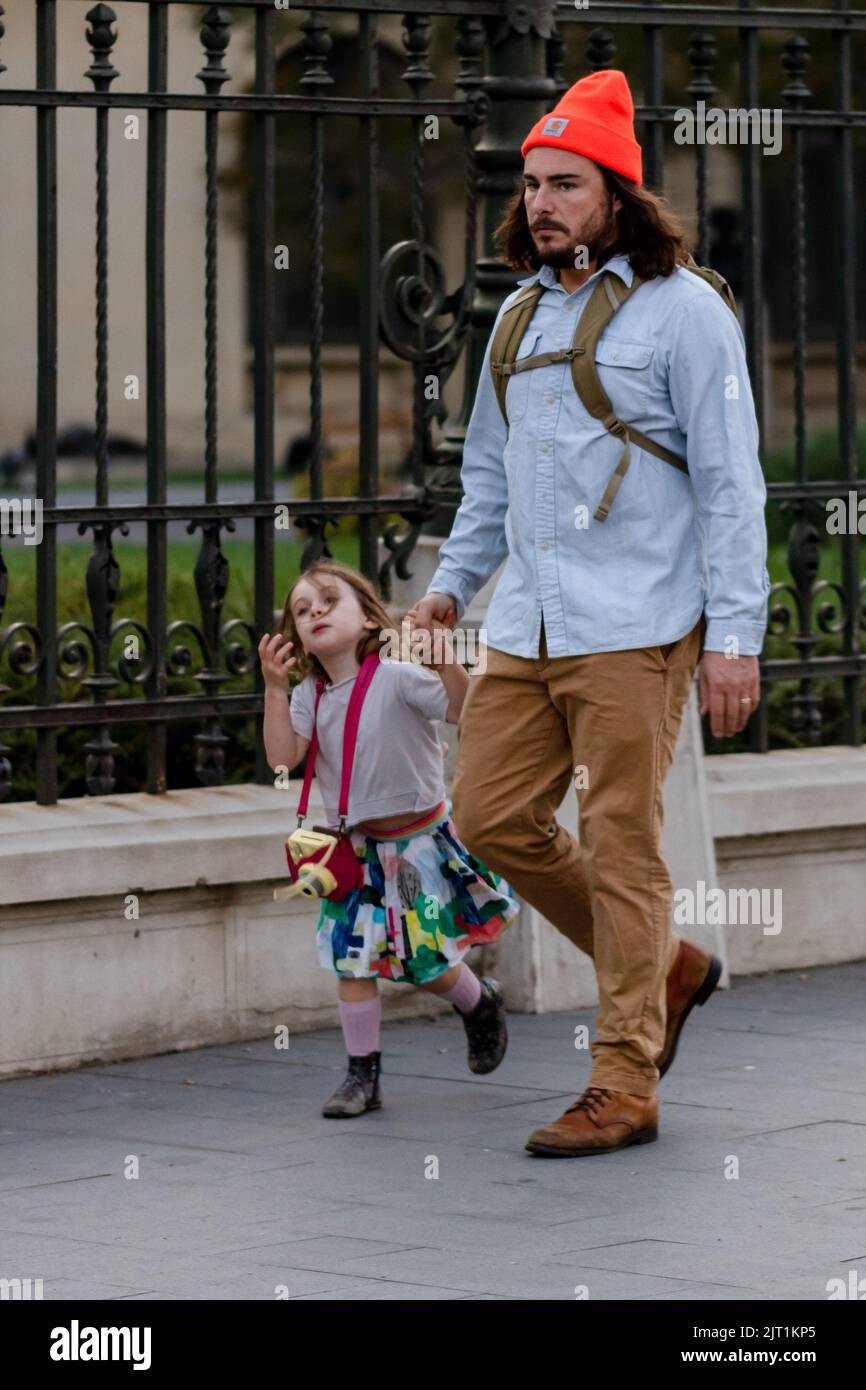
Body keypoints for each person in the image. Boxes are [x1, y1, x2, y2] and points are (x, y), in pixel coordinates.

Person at [408, 69, 770, 1158]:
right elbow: (486, 474)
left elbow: (730, 483)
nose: (540, 205)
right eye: (529, 186)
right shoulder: (515, 315)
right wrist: (449, 586)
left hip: (638, 623)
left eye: (564, 183)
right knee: (487, 817)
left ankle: (622, 1078)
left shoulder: (685, 312)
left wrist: (735, 638)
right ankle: (664, 965)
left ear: (617, 191)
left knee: (622, 849)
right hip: (527, 625)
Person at [260, 560, 519, 1118]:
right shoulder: (309, 696)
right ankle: (362, 1077)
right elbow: (282, 758)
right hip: (355, 856)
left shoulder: (398, 676)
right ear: (296, 634)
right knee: (352, 962)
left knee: (425, 960)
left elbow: (463, 711)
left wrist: (445, 662)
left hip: (418, 845)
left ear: (368, 614)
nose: (316, 613)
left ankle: (478, 1003)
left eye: (329, 600)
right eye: (303, 610)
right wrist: (275, 691)